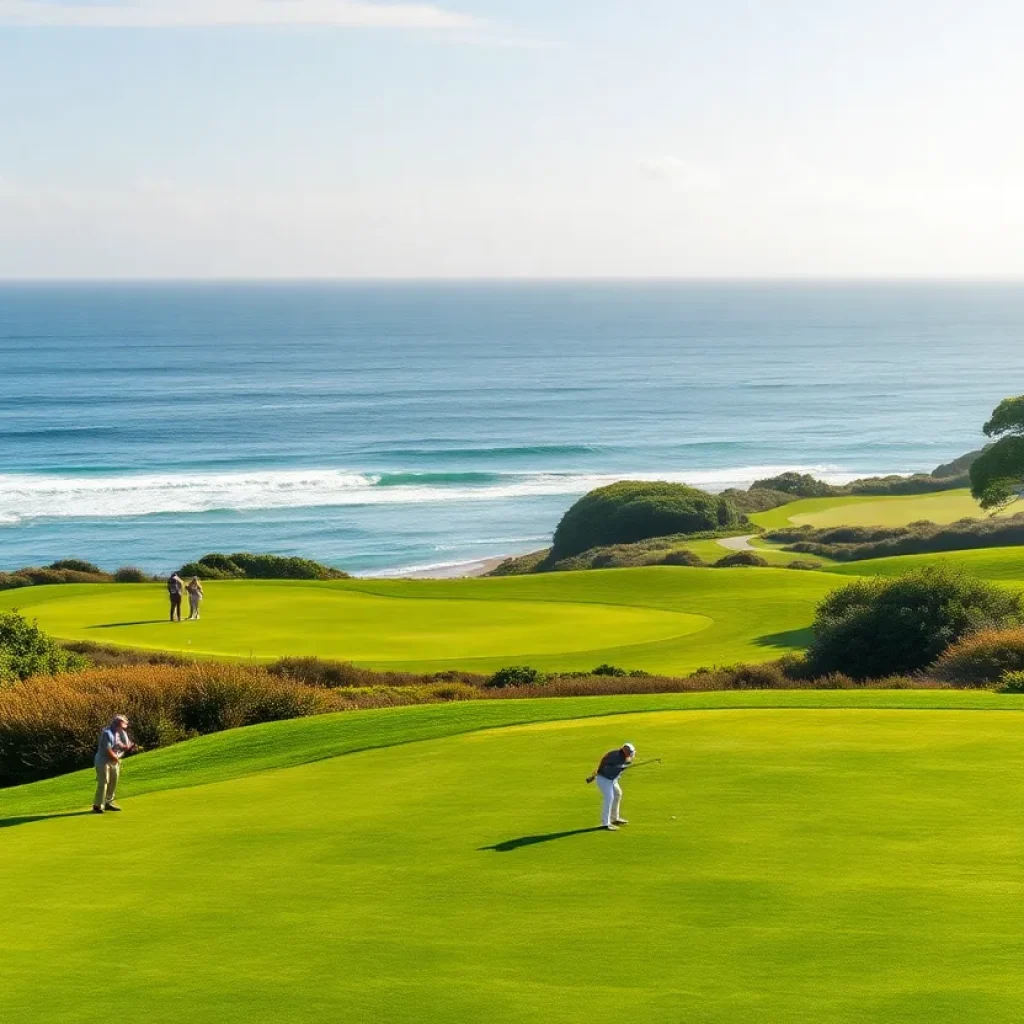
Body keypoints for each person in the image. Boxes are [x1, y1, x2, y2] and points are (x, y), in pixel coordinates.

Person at [586, 742, 635, 831]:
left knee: (618, 794)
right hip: (604, 779)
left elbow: (620, 767)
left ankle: (614, 818)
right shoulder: (615, 756)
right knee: (609, 798)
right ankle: (605, 823)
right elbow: (605, 767)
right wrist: (619, 768)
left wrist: (621, 768)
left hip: (612, 779)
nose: (632, 754)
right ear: (626, 751)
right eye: (631, 752)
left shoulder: (624, 757)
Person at [93, 714, 136, 813]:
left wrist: (128, 746)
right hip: (103, 760)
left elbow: (122, 744)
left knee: (113, 781)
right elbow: (108, 749)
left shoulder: (119, 733)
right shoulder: (106, 733)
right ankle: (98, 806)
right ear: (116, 724)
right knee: (104, 782)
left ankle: (108, 803)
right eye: (122, 726)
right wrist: (115, 757)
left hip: (114, 761)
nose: (123, 729)